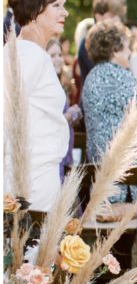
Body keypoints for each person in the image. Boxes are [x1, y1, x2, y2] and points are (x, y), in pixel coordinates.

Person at [81, 20, 137, 262]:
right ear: (115, 49)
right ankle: (121, 268)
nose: (130, 52)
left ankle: (109, 267)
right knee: (124, 223)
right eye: (127, 47)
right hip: (127, 167)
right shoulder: (124, 77)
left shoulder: (90, 78)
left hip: (99, 165)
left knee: (107, 223)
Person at [3, 0, 70, 211]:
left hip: (39, 174)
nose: (65, 13)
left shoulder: (30, 53)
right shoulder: (28, 55)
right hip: (30, 178)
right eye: (57, 6)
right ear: (35, 11)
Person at [46, 37, 81, 180]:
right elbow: (52, 120)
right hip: (54, 154)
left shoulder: (57, 83)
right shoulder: (45, 87)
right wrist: (71, 113)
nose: (59, 59)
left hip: (65, 151)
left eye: (60, 55)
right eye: (52, 55)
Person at [77, 0, 125, 85]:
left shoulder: (112, 41)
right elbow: (103, 74)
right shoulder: (88, 42)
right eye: (112, 15)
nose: (117, 19)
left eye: (117, 16)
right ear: (98, 16)